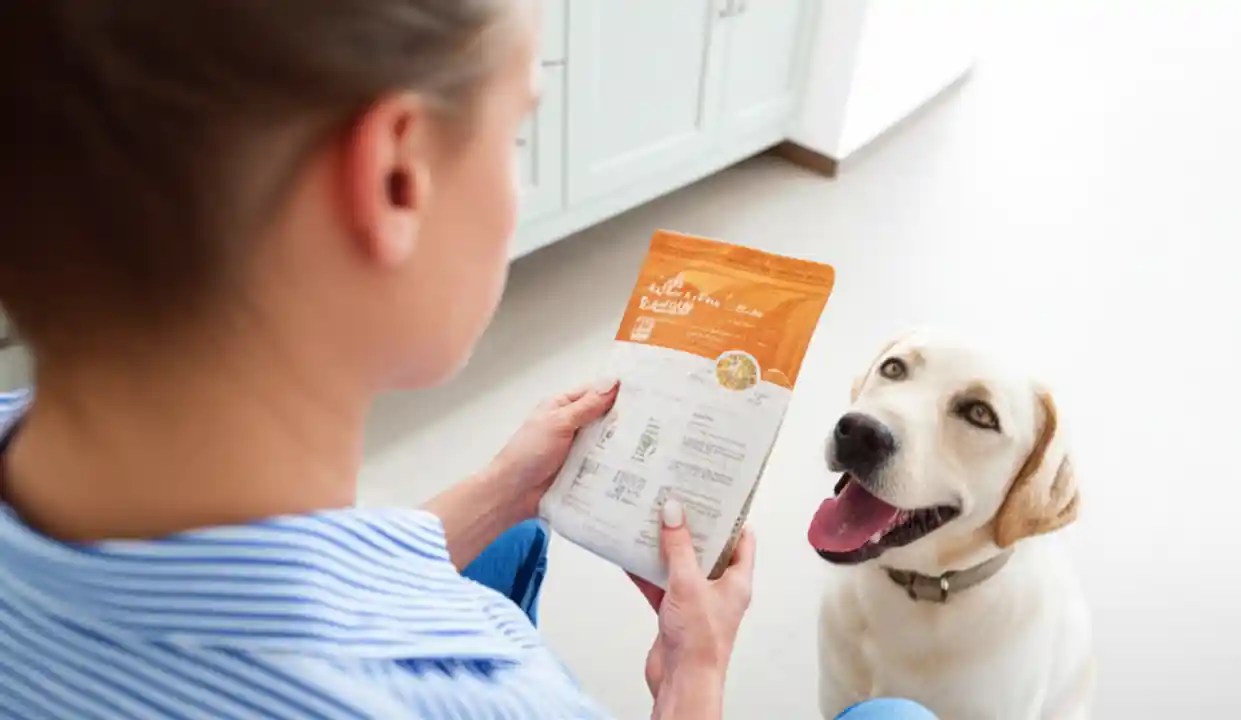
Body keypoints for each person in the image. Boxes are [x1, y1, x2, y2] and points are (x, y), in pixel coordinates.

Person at [0, 2, 934, 718]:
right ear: (395, 177)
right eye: (514, 134)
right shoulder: (486, 691)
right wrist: (692, 676)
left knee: (516, 533)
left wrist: (501, 486)